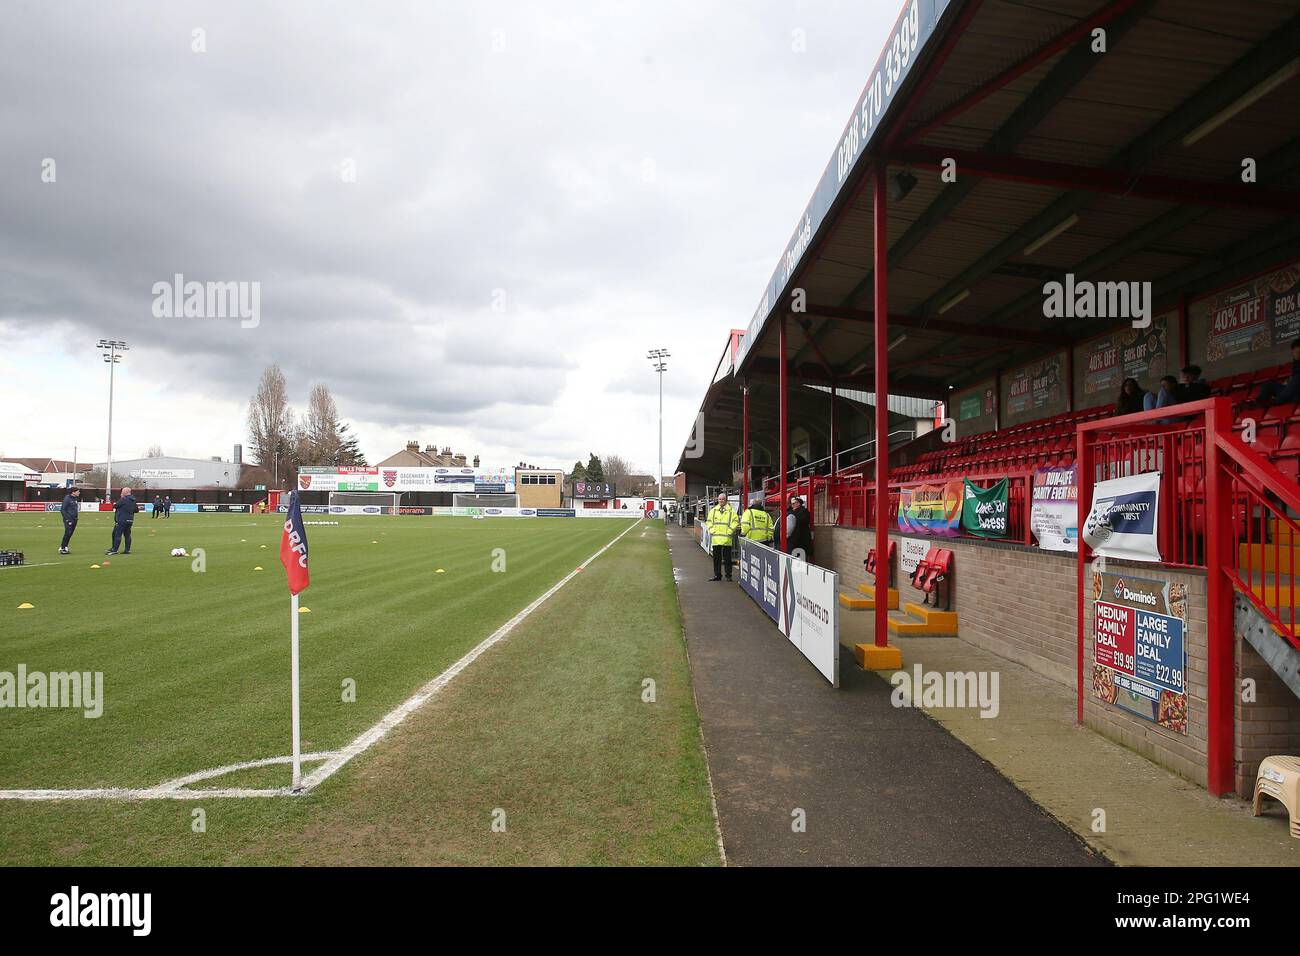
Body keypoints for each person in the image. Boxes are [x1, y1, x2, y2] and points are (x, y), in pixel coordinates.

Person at [705, 492, 739, 581]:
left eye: (723, 499)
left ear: (726, 500)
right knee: (716, 559)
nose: (721, 501)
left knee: (727, 559)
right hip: (716, 539)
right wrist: (712, 531)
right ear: (717, 500)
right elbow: (708, 522)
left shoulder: (731, 511)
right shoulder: (713, 510)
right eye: (719, 499)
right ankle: (717, 575)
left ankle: (728, 575)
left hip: (727, 539)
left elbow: (735, 522)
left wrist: (729, 531)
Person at [1257, 339, 1300, 406]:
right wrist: (1289, 381)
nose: (1294, 354)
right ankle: (1259, 403)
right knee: (1268, 384)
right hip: (1291, 393)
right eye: (1294, 351)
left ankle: (1274, 402)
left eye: (1297, 352)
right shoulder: (1296, 361)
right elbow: (1293, 377)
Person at [106, 486, 139, 555]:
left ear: (125, 492)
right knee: (127, 535)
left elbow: (115, 506)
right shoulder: (133, 500)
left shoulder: (123, 499)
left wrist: (119, 502)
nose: (121, 493)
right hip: (130, 520)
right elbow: (136, 510)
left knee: (117, 534)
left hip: (121, 520)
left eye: (122, 491)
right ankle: (127, 550)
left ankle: (114, 549)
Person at [786, 495, 814, 561]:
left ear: (798, 503)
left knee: (802, 558)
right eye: (791, 504)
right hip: (795, 541)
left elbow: (803, 520)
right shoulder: (790, 512)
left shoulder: (804, 512)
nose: (792, 505)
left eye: (793, 503)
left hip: (801, 540)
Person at [58, 487, 81, 554]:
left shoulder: (75, 499)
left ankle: (65, 547)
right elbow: (63, 510)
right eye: (77, 491)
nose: (79, 493)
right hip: (69, 519)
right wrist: (67, 519)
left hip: (74, 519)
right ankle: (62, 547)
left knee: (70, 534)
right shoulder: (67, 499)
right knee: (67, 533)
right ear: (73, 492)